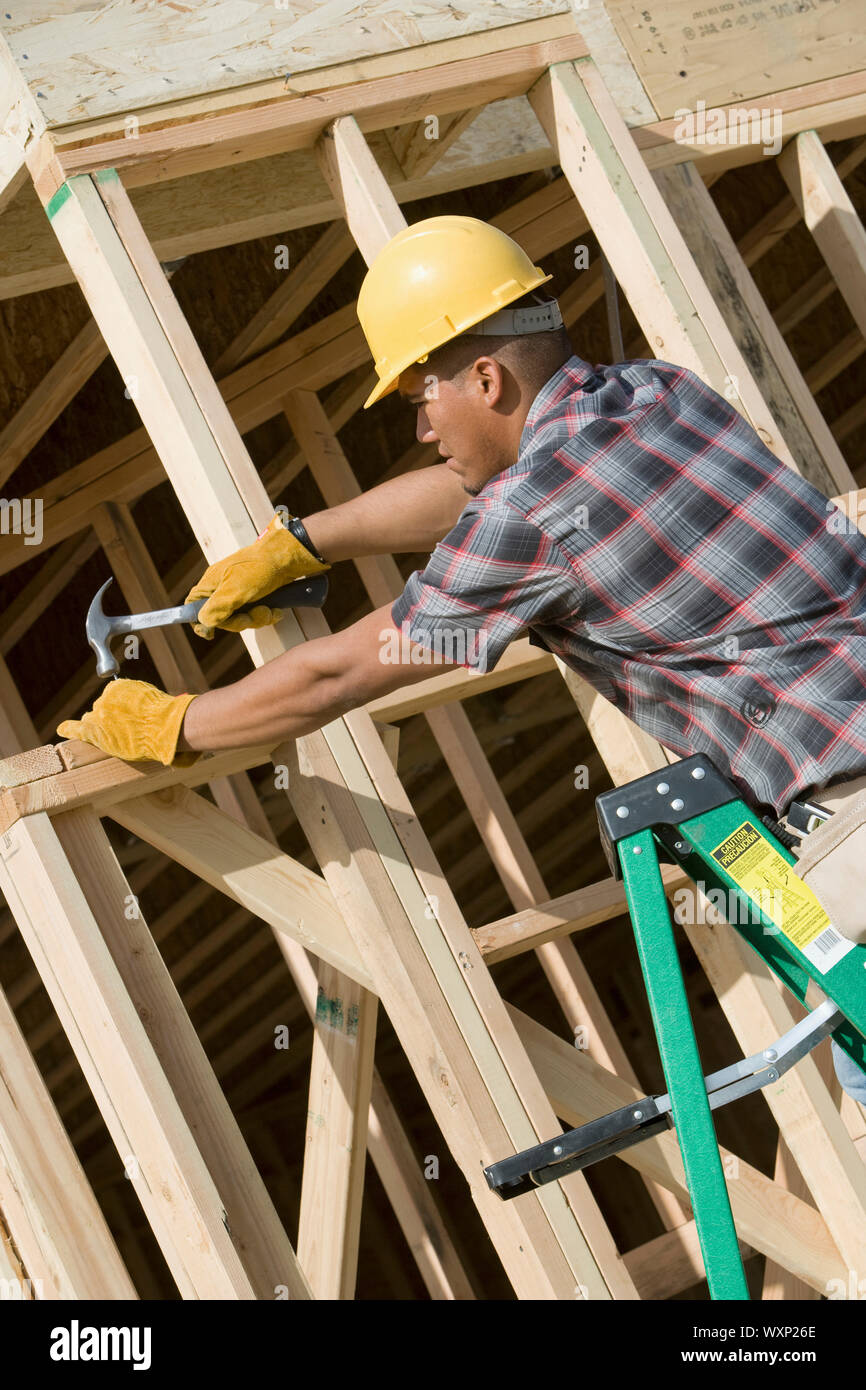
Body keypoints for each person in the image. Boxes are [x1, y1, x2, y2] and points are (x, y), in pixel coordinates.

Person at [59, 215, 866, 1102]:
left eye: (421, 398)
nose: (420, 427)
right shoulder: (658, 394)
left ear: (485, 377)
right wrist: (304, 542)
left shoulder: (529, 519)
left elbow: (340, 672)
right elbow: (467, 491)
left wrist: (175, 723)